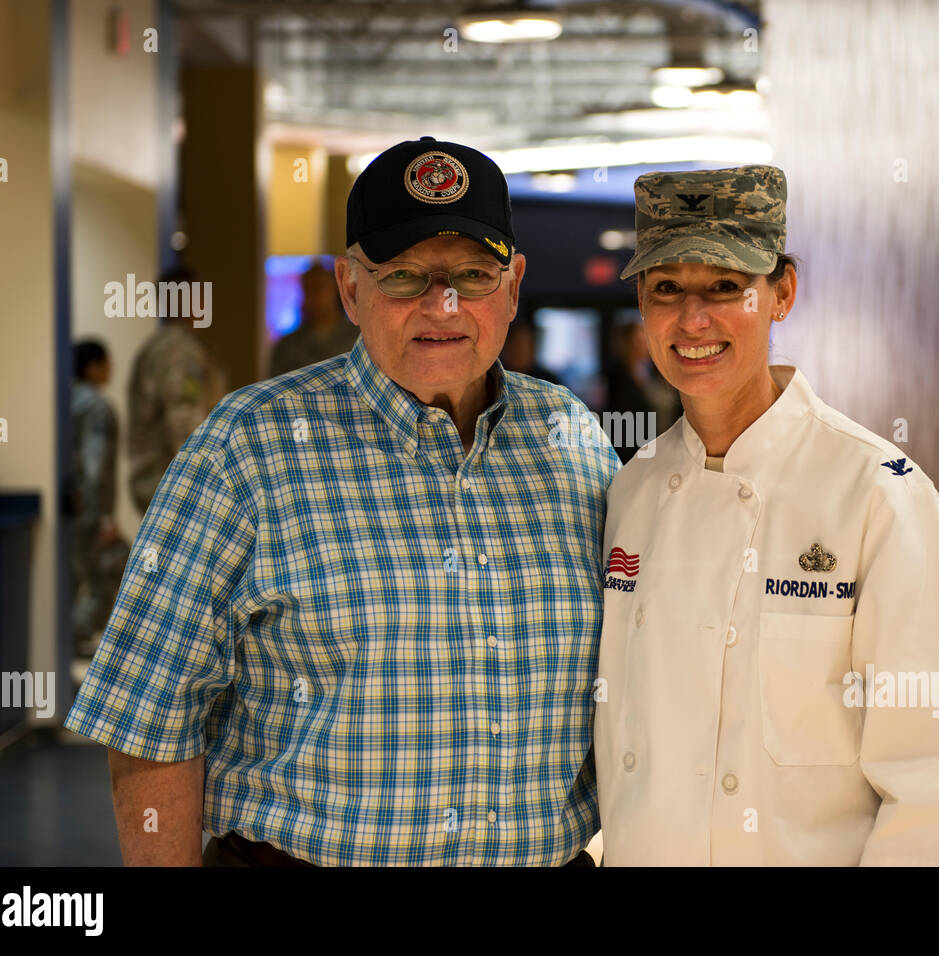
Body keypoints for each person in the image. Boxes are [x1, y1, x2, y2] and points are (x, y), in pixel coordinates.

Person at [64, 137, 619, 867]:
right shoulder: (246, 449)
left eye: (472, 276)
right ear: (350, 287)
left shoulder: (574, 442)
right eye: (404, 277)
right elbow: (149, 712)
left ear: (513, 285)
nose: (441, 304)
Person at [593, 166, 939, 865]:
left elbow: (932, 782)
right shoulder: (632, 492)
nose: (693, 319)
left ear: (782, 294)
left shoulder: (879, 493)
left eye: (724, 287)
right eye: (666, 290)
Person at [126, 266, 227, 513]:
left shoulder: (154, 347)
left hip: (157, 480)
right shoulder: (180, 353)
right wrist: (201, 482)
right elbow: (184, 421)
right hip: (175, 486)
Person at [68, 339, 129, 655]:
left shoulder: (65, 399)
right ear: (93, 366)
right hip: (90, 511)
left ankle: (68, 640)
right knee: (108, 573)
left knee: (74, 578)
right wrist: (105, 517)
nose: (111, 370)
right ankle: (75, 637)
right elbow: (96, 465)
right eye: (107, 363)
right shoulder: (97, 407)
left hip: (69, 509)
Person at [604, 320, 681, 463]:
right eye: (638, 341)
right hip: (630, 446)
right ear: (627, 344)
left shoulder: (651, 371)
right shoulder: (618, 375)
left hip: (659, 445)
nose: (643, 346)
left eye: (645, 341)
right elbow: (617, 415)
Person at [269, 261, 361, 375]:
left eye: (318, 288)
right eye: (307, 289)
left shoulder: (359, 339)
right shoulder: (287, 346)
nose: (313, 296)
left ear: (336, 290)